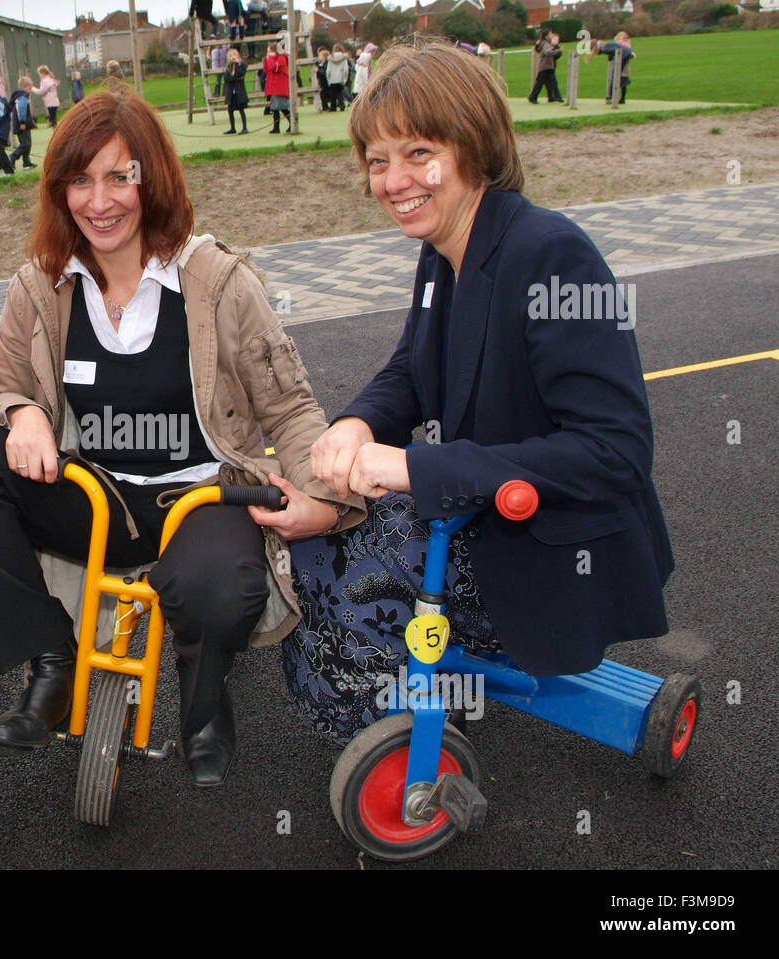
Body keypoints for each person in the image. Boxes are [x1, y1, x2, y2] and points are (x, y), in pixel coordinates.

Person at [0, 91, 362, 788]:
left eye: (122, 176)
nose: (101, 200)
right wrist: (22, 415)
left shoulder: (218, 281)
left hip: (202, 497)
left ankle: (203, 687)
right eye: (81, 179)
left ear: (154, 179)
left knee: (214, 591)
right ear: (60, 190)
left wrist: (328, 500)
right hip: (95, 496)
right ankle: (51, 658)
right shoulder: (41, 283)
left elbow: (291, 407)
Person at [285, 39, 673, 746]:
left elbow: (613, 452)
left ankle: (399, 750)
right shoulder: (443, 251)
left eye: (418, 153)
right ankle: (380, 726)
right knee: (307, 544)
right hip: (483, 519)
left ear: (473, 145)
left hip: (549, 548)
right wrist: (356, 423)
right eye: (377, 159)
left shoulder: (552, 254)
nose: (393, 179)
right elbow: (409, 368)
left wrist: (413, 467)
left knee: (346, 564)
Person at [592, 32, 635, 104]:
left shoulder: (605, 48)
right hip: (625, 55)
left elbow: (610, 52)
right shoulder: (606, 45)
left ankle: (610, 96)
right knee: (615, 76)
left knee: (615, 76)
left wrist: (605, 54)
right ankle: (611, 96)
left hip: (624, 56)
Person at [8, 75, 38, 170]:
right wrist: (22, 122)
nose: (30, 90)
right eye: (29, 88)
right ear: (24, 87)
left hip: (24, 123)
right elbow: (22, 109)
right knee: (25, 144)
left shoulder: (20, 96)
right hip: (22, 124)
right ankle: (13, 156)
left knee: (27, 142)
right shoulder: (22, 96)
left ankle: (26, 162)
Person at [529, 29, 563, 104]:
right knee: (540, 83)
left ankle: (554, 97)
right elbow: (547, 52)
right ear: (546, 36)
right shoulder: (546, 44)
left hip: (548, 67)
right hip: (545, 67)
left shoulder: (546, 43)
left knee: (551, 82)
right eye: (550, 34)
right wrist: (558, 51)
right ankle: (532, 97)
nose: (552, 35)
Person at [264, 42, 291, 134]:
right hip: (273, 87)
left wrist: (270, 58)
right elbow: (266, 70)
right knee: (275, 108)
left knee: (283, 108)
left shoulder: (281, 58)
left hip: (279, 87)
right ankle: (276, 127)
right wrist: (266, 60)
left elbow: (273, 68)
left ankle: (292, 123)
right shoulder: (274, 58)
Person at [223, 46, 250, 134]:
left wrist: (238, 64)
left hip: (239, 92)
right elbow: (227, 78)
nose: (232, 58)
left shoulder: (240, 65)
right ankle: (232, 128)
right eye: (230, 56)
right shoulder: (228, 67)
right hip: (231, 92)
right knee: (230, 110)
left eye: (234, 55)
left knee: (241, 110)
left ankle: (245, 128)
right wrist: (235, 77)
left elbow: (241, 73)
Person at [326, 43, 351, 111]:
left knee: (332, 94)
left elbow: (328, 70)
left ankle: (333, 107)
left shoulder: (330, 58)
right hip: (340, 78)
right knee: (340, 93)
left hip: (332, 78)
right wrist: (345, 79)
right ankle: (342, 106)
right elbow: (345, 69)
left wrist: (328, 79)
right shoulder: (344, 58)